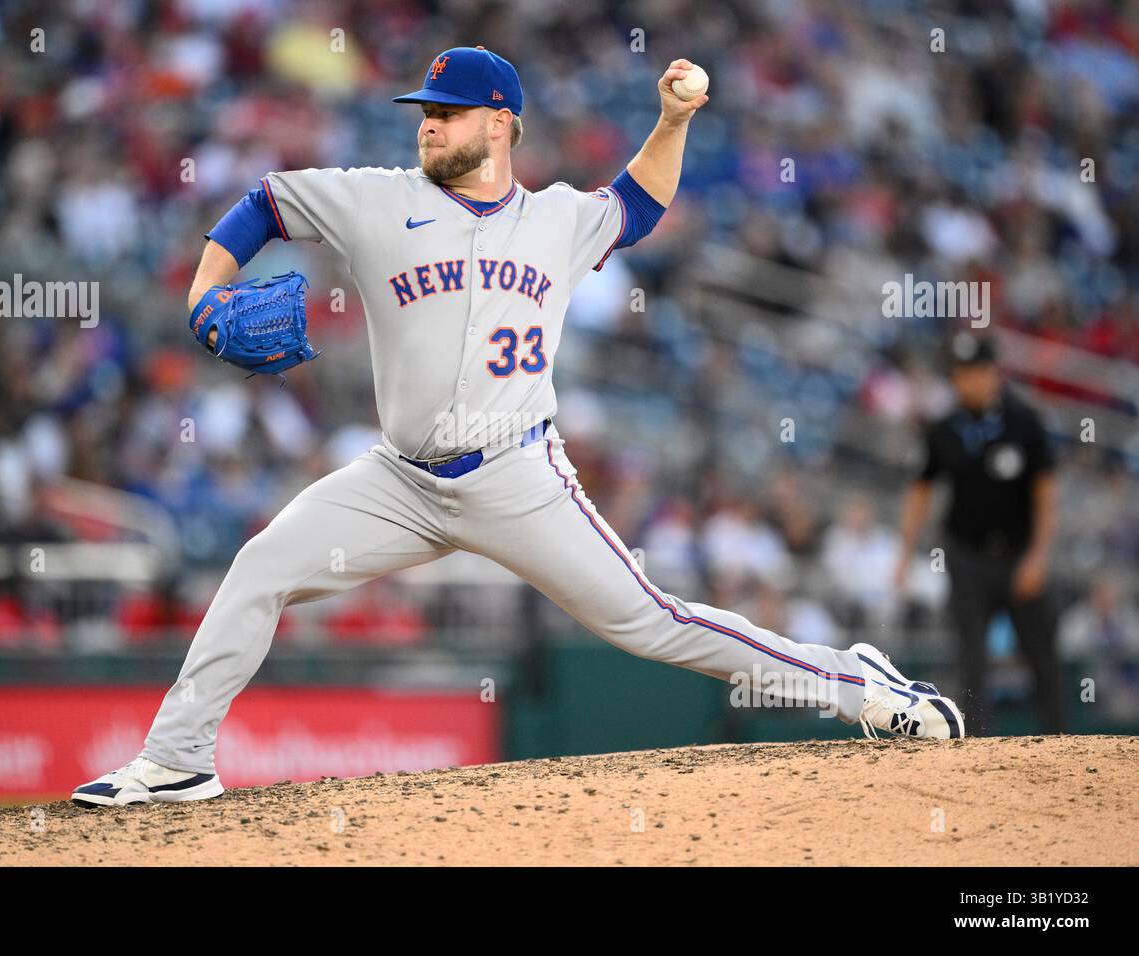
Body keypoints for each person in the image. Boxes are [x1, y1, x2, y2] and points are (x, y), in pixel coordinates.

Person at [73, 47, 963, 807]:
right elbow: (265, 203)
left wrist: (673, 120)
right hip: (400, 481)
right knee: (262, 565)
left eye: (447, 113)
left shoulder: (556, 221)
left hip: (518, 477)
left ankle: (860, 685)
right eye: (423, 112)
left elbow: (638, 205)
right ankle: (182, 762)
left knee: (651, 623)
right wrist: (204, 287)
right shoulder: (376, 199)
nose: (426, 125)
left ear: (499, 123)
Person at [894, 332, 1063, 735]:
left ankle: (1064, 743)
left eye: (975, 372)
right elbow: (920, 491)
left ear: (994, 373)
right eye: (960, 373)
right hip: (966, 557)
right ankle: (976, 751)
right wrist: (903, 555)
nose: (967, 381)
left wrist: (1038, 557)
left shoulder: (1025, 423)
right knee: (970, 660)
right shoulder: (943, 430)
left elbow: (1045, 495)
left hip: (1019, 555)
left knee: (1042, 657)